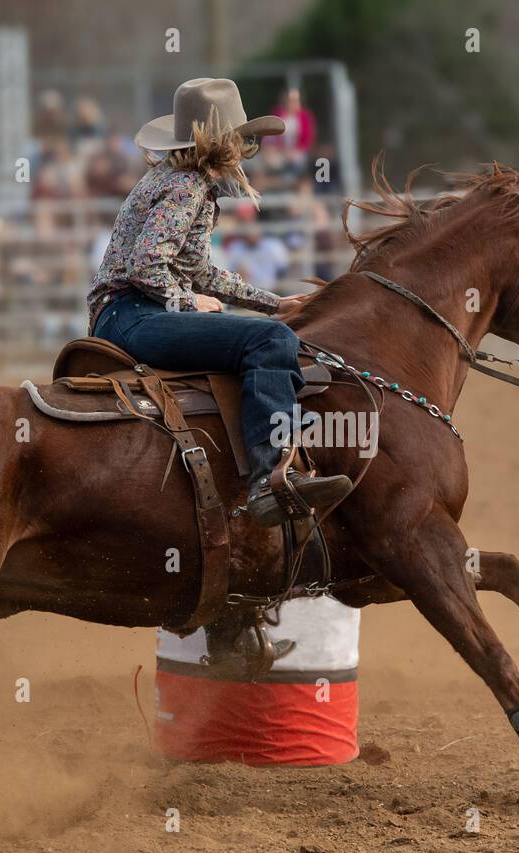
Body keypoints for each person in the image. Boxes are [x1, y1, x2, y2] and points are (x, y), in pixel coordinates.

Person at [85, 77, 351, 527]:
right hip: (132, 316)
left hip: (128, 312)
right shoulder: (187, 188)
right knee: (270, 343)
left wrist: (272, 303)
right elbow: (146, 264)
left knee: (268, 330)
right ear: (224, 142)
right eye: (244, 138)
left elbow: (199, 270)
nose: (249, 147)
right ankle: (269, 480)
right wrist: (188, 302)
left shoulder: (180, 182)